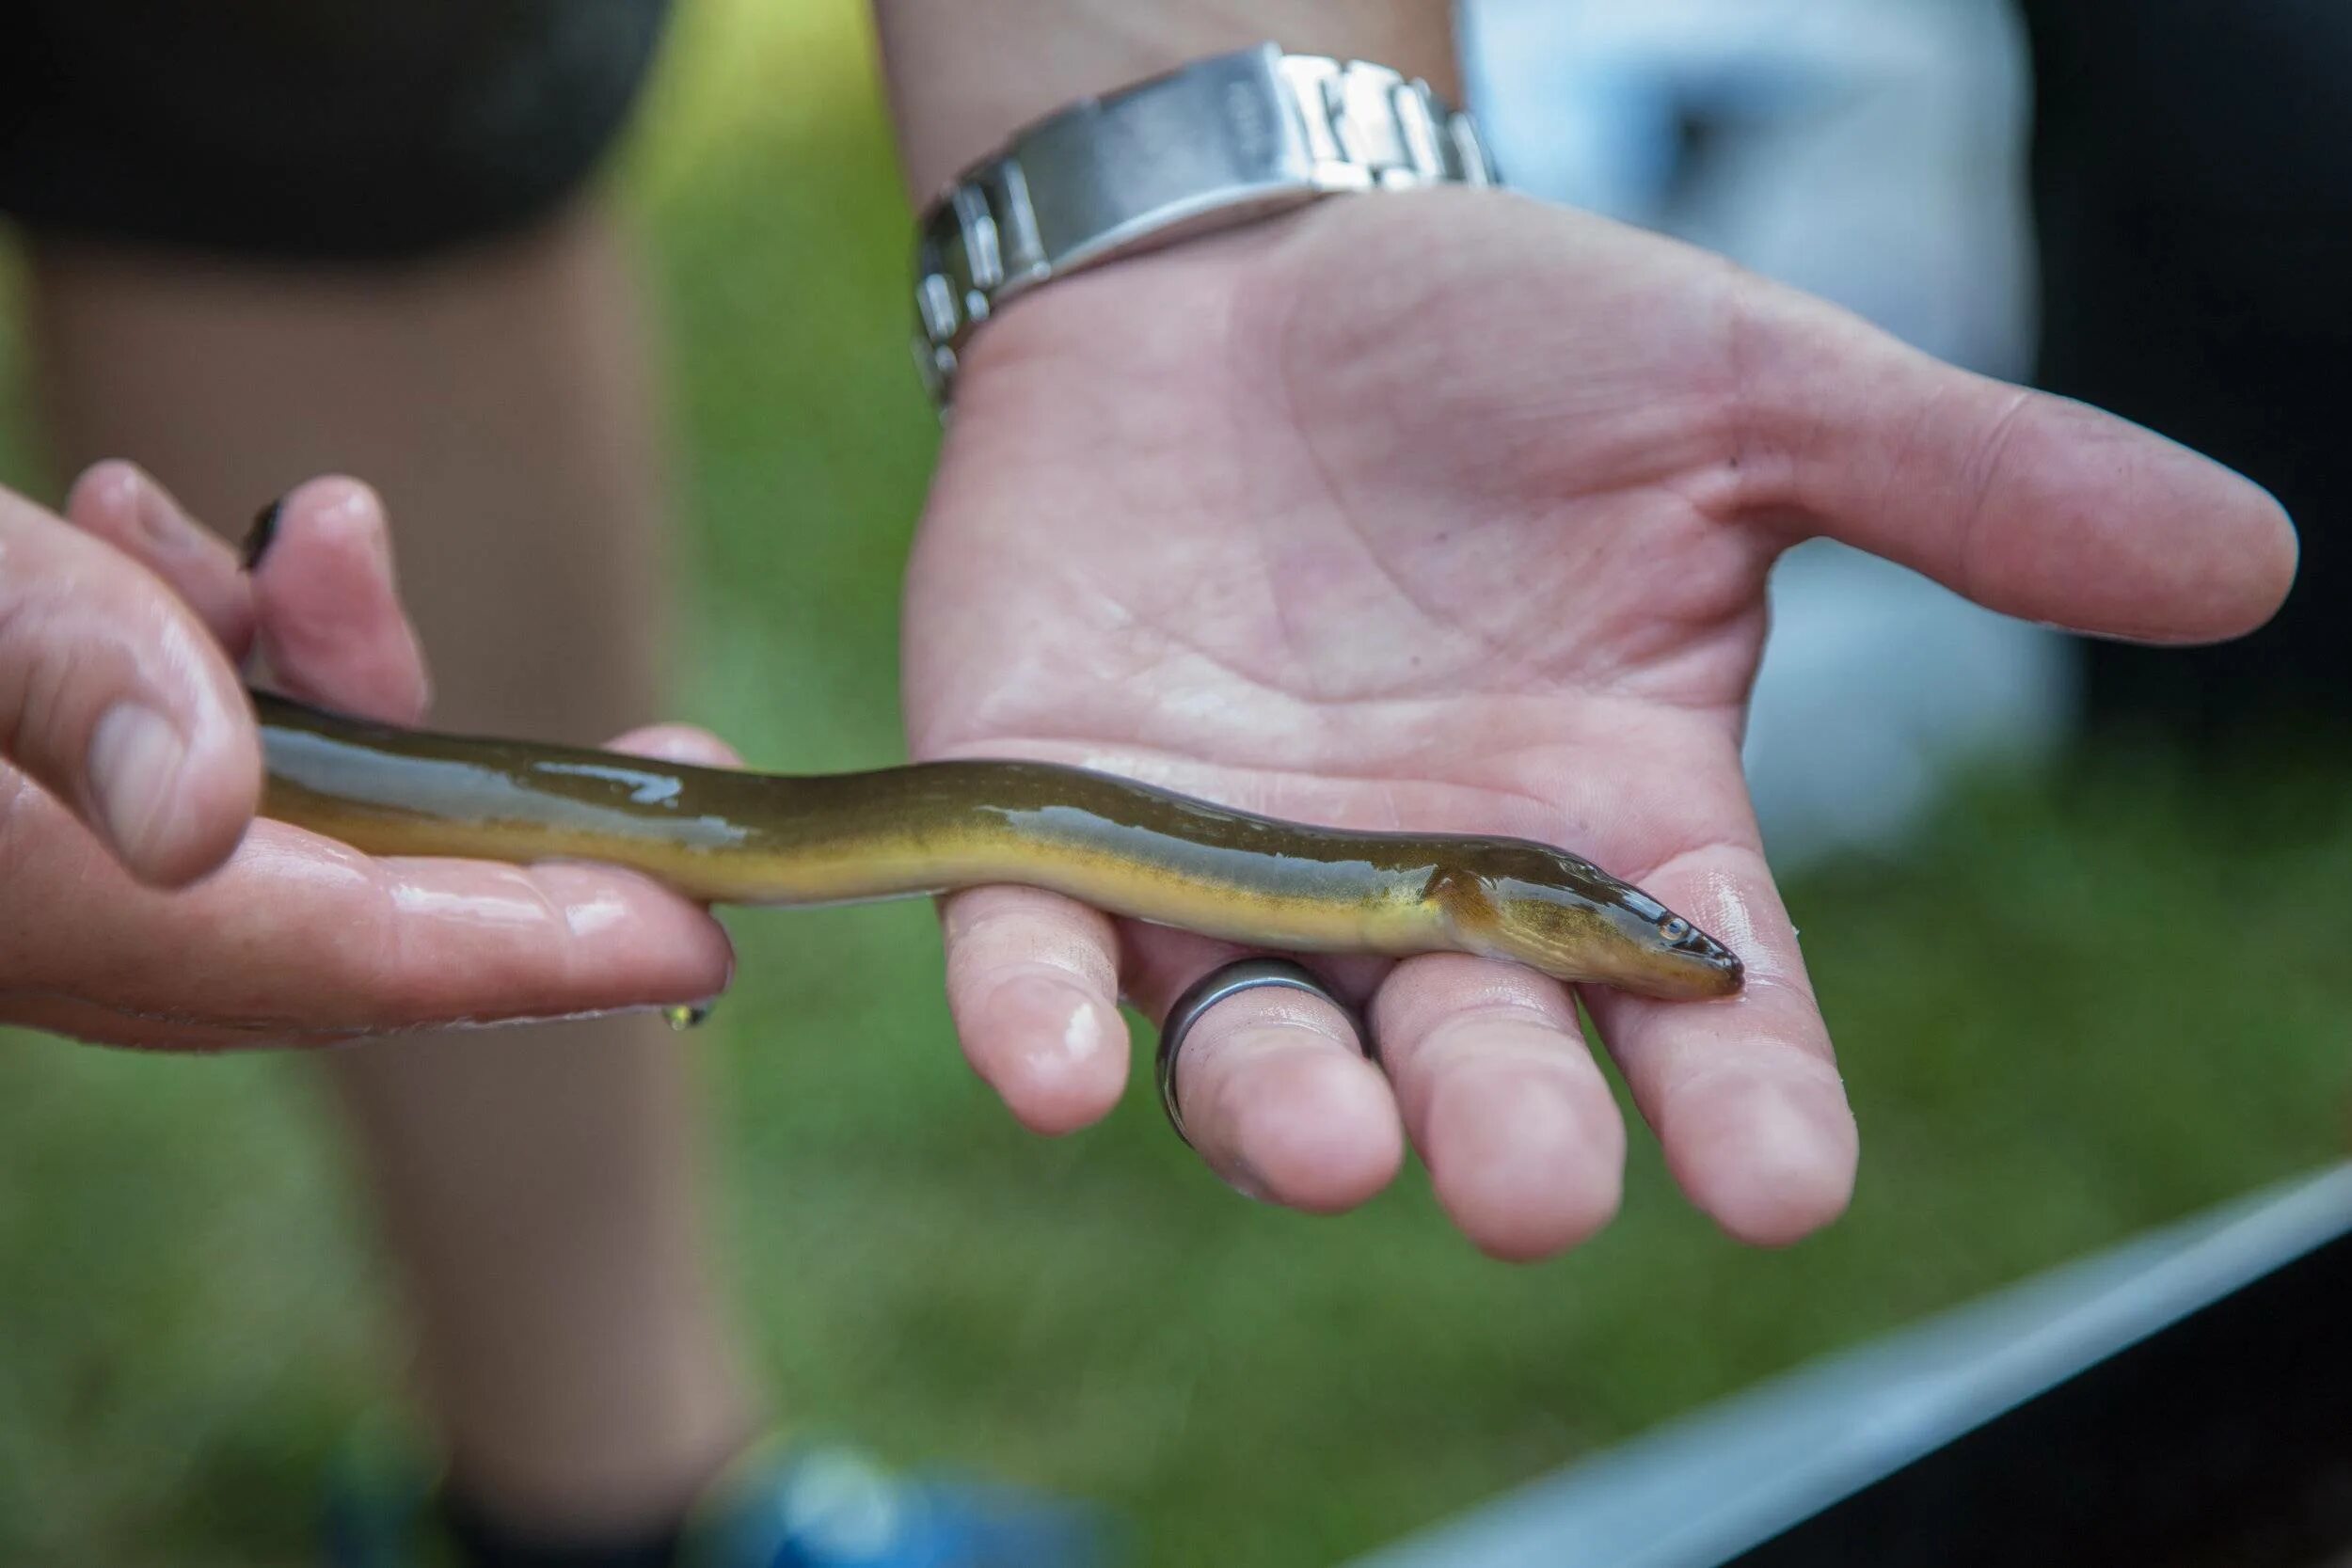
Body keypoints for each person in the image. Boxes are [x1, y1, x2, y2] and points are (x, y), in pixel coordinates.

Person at [0, 3, 2298, 1565]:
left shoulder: (1435, 873)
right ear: (1498, 903)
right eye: (1633, 930)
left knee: (349, 90)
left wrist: (1231, 200)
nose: (1653, 948)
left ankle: (614, 1501)